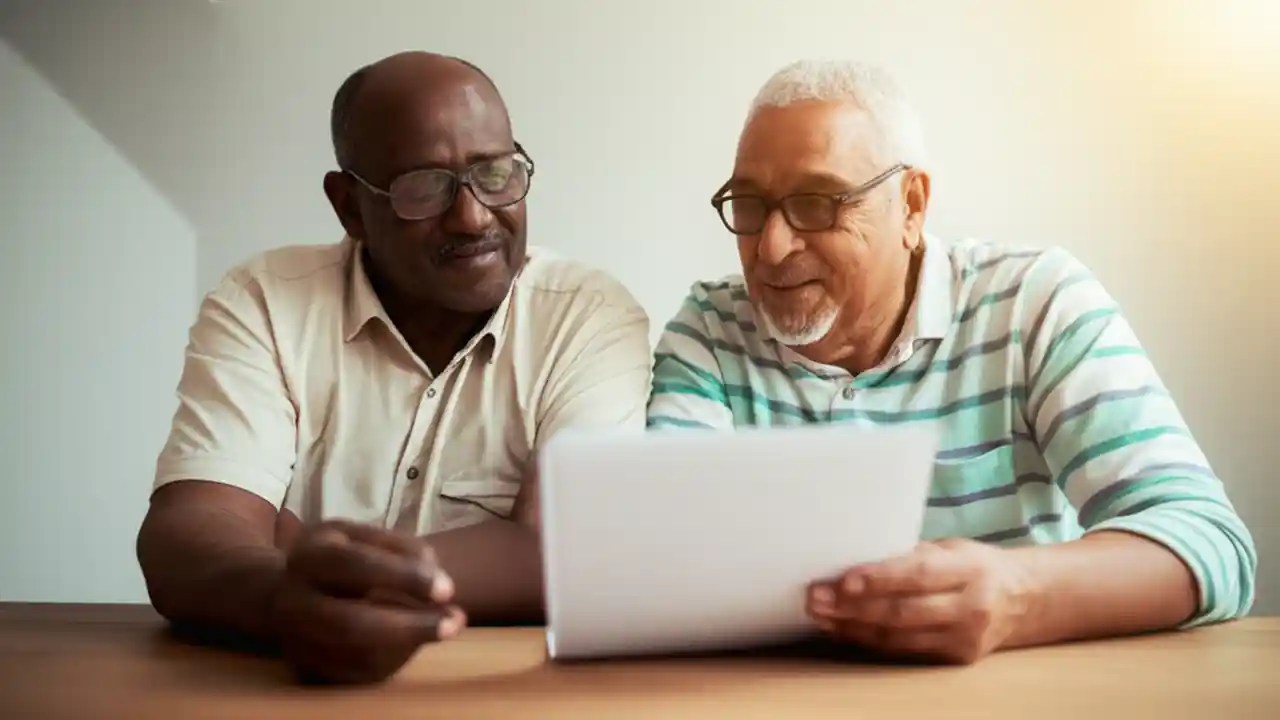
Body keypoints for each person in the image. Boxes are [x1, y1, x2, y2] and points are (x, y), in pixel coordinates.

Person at [647, 59, 1256, 664]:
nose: (772, 246)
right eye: (750, 205)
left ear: (911, 205)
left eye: (815, 203)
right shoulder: (711, 329)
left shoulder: (1033, 302)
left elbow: (1210, 542)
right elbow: (665, 558)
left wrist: (1018, 595)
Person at [137, 52, 650, 683]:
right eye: (424, 187)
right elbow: (190, 532)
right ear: (349, 206)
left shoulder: (586, 314)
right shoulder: (265, 300)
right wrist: (284, 600)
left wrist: (316, 561)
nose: (473, 216)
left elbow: (578, 550)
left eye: (494, 173)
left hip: (500, 694)